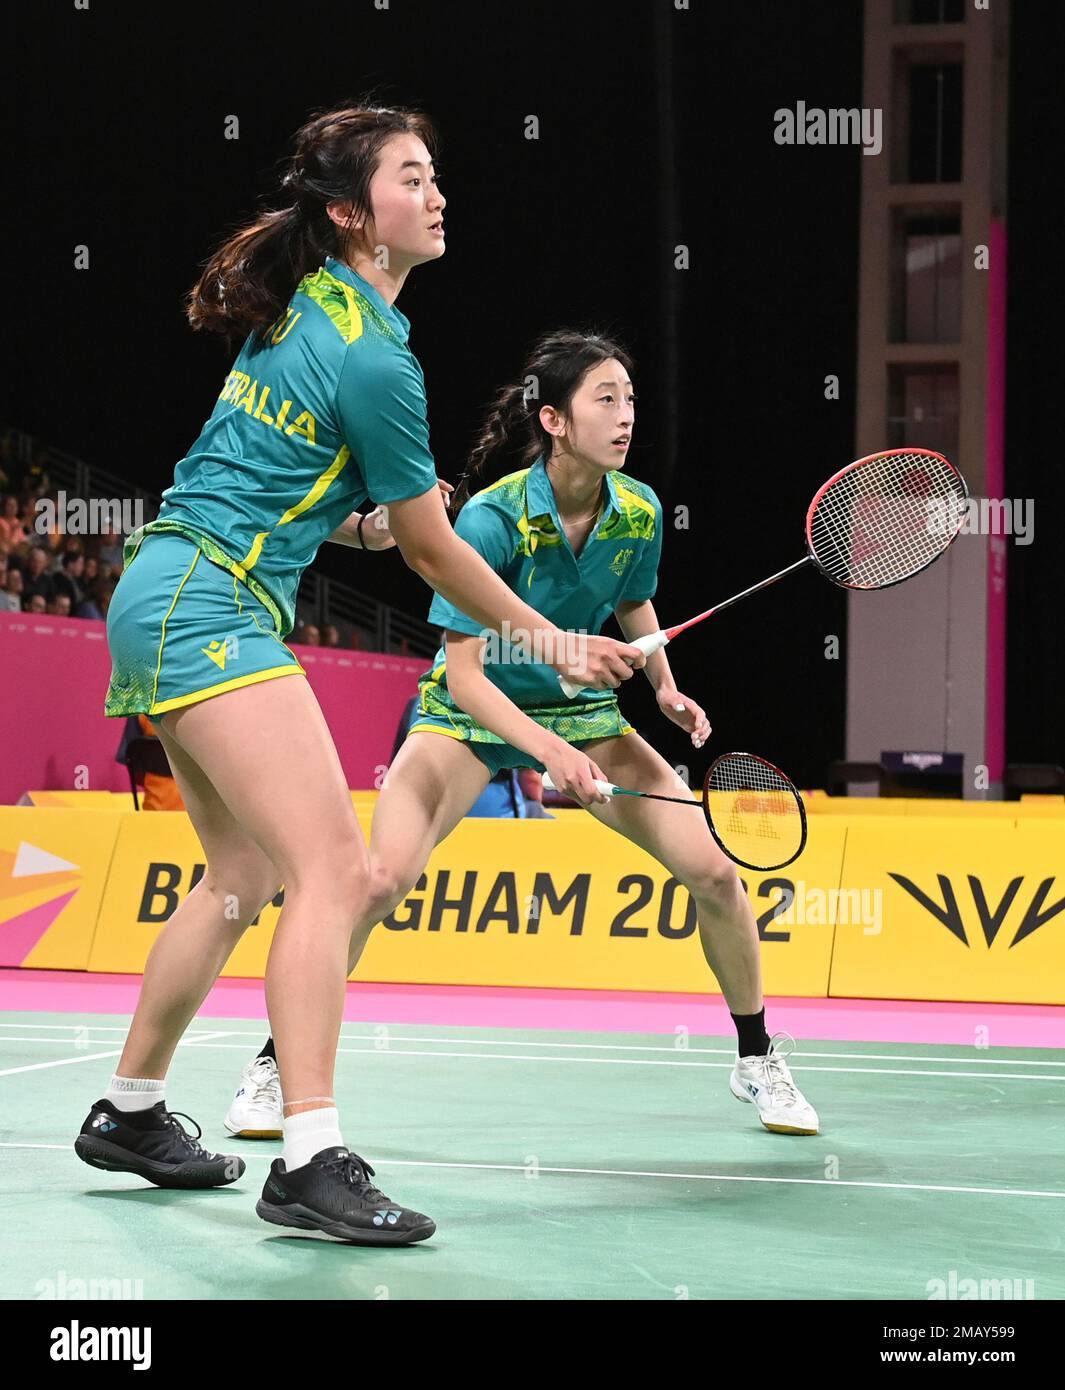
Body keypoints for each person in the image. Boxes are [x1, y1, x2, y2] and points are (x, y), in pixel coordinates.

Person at [72, 100, 644, 1246]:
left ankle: (128, 1111)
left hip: (164, 591)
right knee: (335, 871)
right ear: (349, 212)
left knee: (238, 876)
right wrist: (555, 639)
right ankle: (310, 1157)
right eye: (412, 178)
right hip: (213, 605)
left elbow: (273, 475)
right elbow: (433, 547)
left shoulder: (304, 311)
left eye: (438, 177)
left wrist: (357, 518)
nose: (437, 195)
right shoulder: (378, 351)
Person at [226, 329, 820, 1144]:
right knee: (375, 882)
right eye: (604, 400)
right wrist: (548, 757)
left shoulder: (638, 508)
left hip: (580, 715)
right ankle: (272, 1068)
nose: (625, 417)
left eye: (631, 400)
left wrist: (665, 687)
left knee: (714, 873)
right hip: (466, 719)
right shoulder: (492, 517)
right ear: (554, 420)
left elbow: (631, 605)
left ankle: (755, 1058)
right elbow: (466, 674)